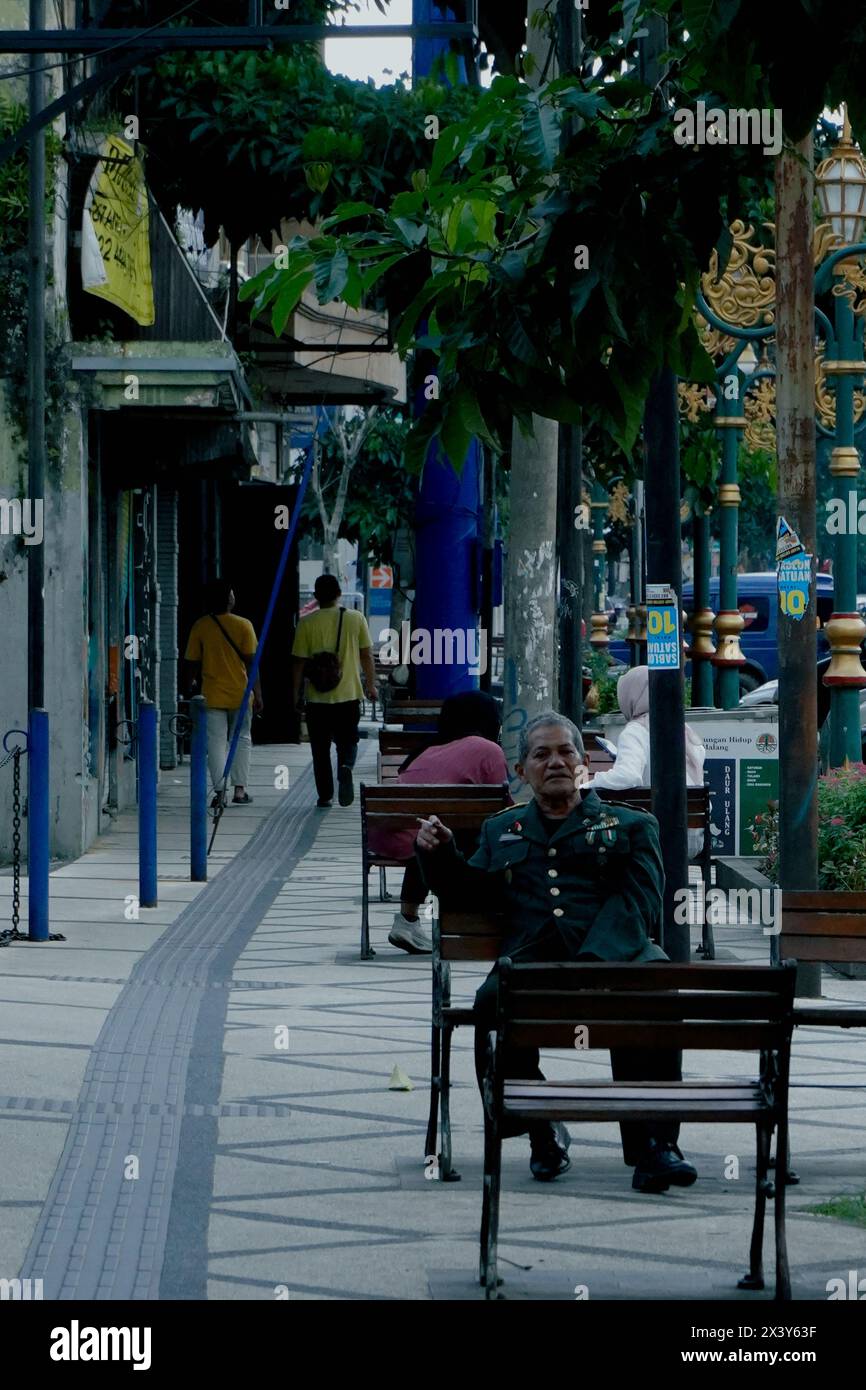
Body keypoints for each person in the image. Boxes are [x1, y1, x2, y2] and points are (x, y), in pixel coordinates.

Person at [415, 710, 698, 1194]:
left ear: (584, 763)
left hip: (618, 955)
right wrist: (439, 854)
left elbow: (641, 901)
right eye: (541, 754)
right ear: (522, 771)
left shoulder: (630, 825)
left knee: (654, 992)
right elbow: (472, 894)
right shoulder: (501, 830)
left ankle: (655, 1144)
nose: (556, 762)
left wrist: (596, 963)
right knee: (491, 1003)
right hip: (533, 962)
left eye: (566, 751)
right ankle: (539, 1128)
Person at [368, 691, 512, 955]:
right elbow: (502, 806)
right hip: (424, 838)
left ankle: (407, 919)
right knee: (452, 836)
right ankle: (467, 921)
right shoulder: (487, 749)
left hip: (385, 830)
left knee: (434, 830)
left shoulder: (427, 748)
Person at [589, 665, 707, 859]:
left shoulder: (636, 731)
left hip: (653, 838)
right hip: (692, 839)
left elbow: (627, 777)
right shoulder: (684, 730)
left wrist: (587, 786)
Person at [291, 574, 377, 808]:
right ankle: (346, 767)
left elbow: (298, 662)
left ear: (316, 596)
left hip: (317, 698)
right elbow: (366, 654)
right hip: (348, 694)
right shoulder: (356, 618)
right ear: (339, 593)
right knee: (347, 741)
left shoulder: (306, 623)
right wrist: (371, 685)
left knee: (320, 749)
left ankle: (325, 795)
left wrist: (296, 693)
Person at [184, 580, 262, 808]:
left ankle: (220, 792)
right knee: (242, 740)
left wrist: (188, 688)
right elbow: (252, 664)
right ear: (229, 599)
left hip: (212, 696)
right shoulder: (244, 625)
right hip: (240, 694)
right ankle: (240, 790)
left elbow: (191, 663)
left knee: (215, 744)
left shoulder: (201, 626)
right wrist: (258, 694)